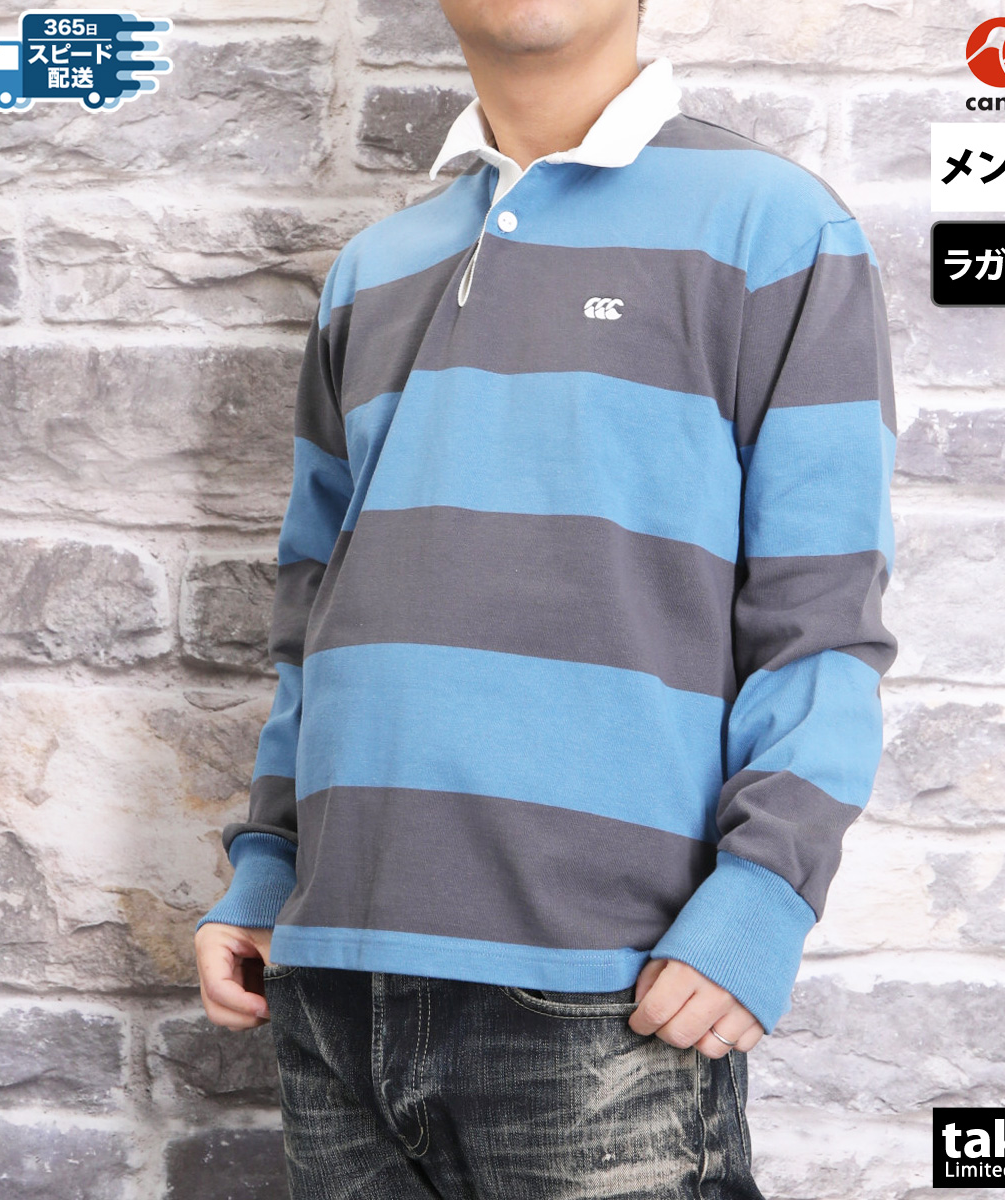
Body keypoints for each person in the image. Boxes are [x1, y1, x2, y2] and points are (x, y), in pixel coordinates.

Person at [194, 1, 898, 1196]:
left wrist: (763, 897)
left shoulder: (775, 228)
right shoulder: (374, 268)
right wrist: (269, 868)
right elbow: (316, 613)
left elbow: (822, 615)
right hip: (329, 981)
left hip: (605, 992)